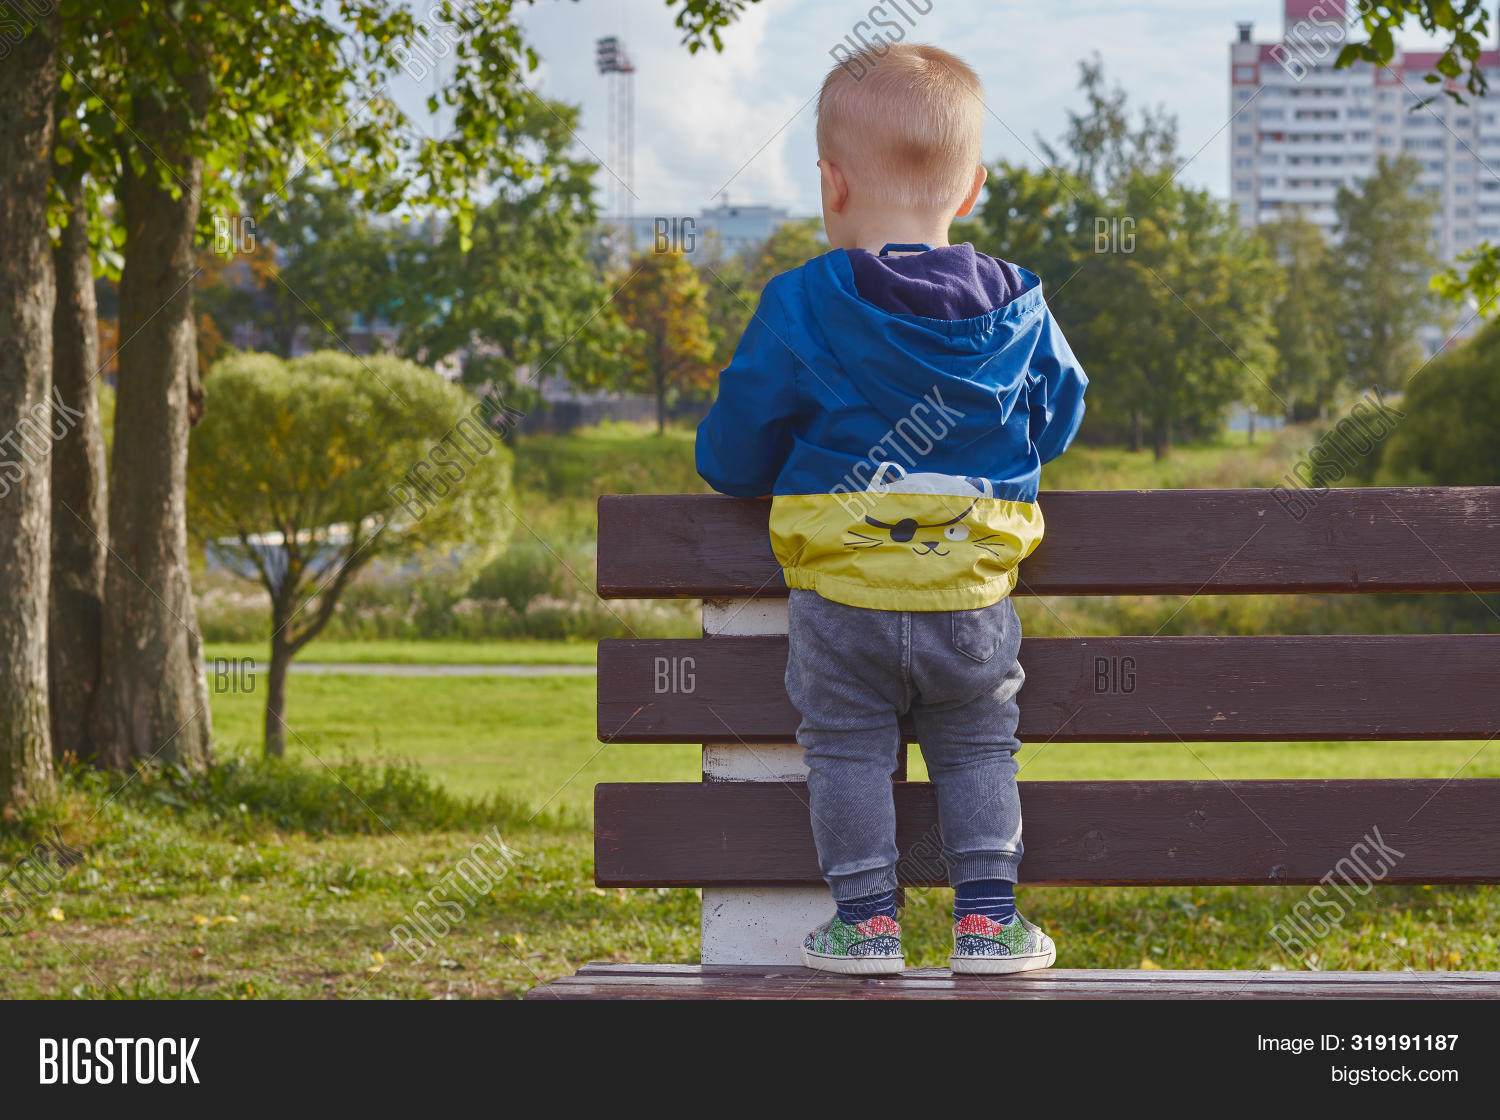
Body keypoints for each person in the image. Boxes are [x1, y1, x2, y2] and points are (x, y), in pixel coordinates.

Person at [695, 42, 1087, 975]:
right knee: (981, 747)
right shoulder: (1021, 306)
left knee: (845, 750)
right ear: (972, 188)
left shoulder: (800, 305)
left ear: (831, 184)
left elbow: (730, 456)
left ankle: (867, 924)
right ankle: (989, 925)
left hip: (844, 609)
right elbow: (1062, 409)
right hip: (971, 605)